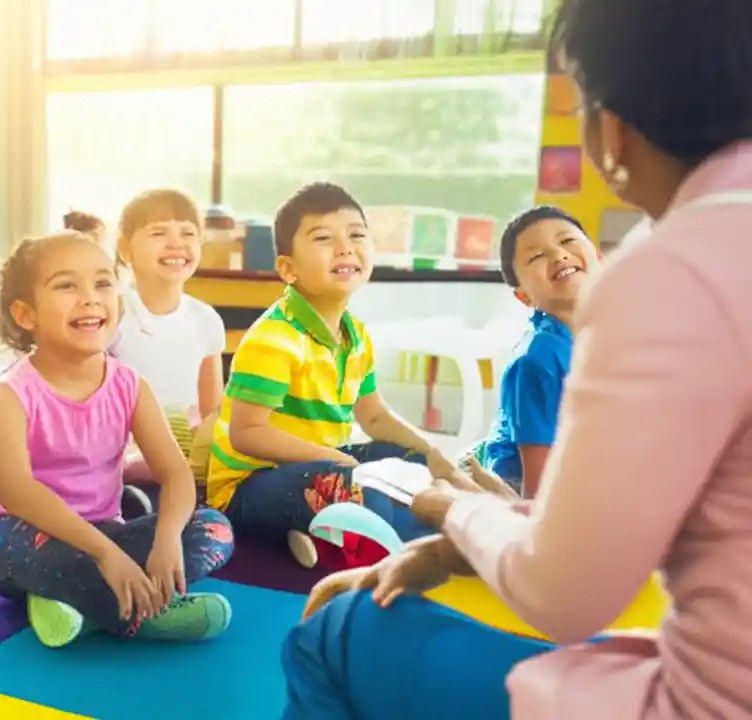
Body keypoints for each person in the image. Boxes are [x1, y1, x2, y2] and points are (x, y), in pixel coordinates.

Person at [283, 0, 752, 716]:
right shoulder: (551, 347)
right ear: (519, 291)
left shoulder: (672, 273)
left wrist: (449, 512)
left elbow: (565, 594)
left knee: (330, 631)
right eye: (537, 257)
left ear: (611, 131)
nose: (560, 260)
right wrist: (448, 531)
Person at [0, 232, 235, 648]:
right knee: (5, 540)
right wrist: (106, 556)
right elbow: (16, 492)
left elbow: (176, 474)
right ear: (26, 314)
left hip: (105, 532)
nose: (90, 298)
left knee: (214, 528)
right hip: (20, 541)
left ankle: (76, 607)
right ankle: (143, 613)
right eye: (66, 285)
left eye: (103, 283)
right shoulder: (10, 394)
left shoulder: (129, 385)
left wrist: (166, 542)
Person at [208, 182, 486, 569]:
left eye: (356, 235)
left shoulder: (355, 335)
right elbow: (247, 433)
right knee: (357, 486)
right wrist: (337, 460)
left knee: (408, 460)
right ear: (288, 268)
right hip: (249, 487)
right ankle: (434, 545)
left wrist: (432, 451)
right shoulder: (274, 337)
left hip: (322, 464)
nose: (345, 247)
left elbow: (373, 417)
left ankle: (335, 534)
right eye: (323, 238)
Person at [109, 190, 226, 502]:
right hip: (119, 456)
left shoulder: (206, 320)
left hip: (183, 457)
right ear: (125, 248)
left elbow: (212, 409)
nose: (176, 243)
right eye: (158, 233)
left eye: (188, 233)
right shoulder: (112, 314)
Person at [477, 206, 600, 497]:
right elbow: (537, 487)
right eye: (536, 256)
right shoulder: (539, 359)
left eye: (567, 241)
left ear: (600, 257)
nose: (558, 255)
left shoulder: (615, 333)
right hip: (518, 490)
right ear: (524, 296)